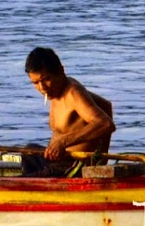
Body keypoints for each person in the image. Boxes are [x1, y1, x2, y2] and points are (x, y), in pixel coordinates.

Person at [22, 46, 115, 176]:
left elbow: (105, 124)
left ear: (60, 71)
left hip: (73, 167)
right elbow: (106, 105)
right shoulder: (55, 91)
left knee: (28, 180)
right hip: (58, 161)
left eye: (46, 79)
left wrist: (63, 142)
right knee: (28, 151)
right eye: (36, 83)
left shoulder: (73, 93)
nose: (42, 88)